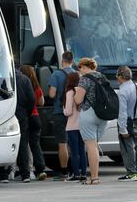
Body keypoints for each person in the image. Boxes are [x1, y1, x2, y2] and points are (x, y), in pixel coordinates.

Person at [0, 66, 35, 183]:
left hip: (6, 115)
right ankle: (25, 175)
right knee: (23, 144)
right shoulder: (25, 79)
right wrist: (27, 112)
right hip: (22, 114)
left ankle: (3, 174)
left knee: (4, 142)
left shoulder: (2, 79)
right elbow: (32, 99)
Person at [74, 57, 108, 185]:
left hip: (89, 113)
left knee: (91, 146)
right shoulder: (102, 77)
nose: (80, 71)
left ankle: (94, 177)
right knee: (94, 145)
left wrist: (76, 92)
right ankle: (95, 176)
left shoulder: (85, 79)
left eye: (80, 68)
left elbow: (78, 100)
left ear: (84, 66)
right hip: (103, 114)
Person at [48, 51, 75, 180]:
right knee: (75, 142)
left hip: (60, 112)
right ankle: (76, 169)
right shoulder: (77, 75)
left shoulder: (56, 74)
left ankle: (64, 172)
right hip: (74, 113)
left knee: (62, 142)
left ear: (62, 61)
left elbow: (52, 94)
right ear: (72, 61)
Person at [116, 66, 137, 182]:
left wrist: (122, 129)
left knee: (127, 148)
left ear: (120, 76)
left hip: (128, 122)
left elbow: (122, 112)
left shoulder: (122, 91)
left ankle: (131, 173)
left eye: (117, 75)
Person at [20, 65, 47, 181]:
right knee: (35, 145)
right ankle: (40, 169)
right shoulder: (36, 86)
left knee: (24, 144)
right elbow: (42, 102)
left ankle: (26, 170)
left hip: (25, 117)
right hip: (36, 117)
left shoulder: (21, 85)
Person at [63, 72, 88, 183]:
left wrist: (63, 110)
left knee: (74, 152)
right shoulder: (82, 91)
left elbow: (68, 112)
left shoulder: (70, 92)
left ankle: (76, 174)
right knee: (82, 150)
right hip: (82, 125)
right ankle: (84, 173)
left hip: (72, 126)